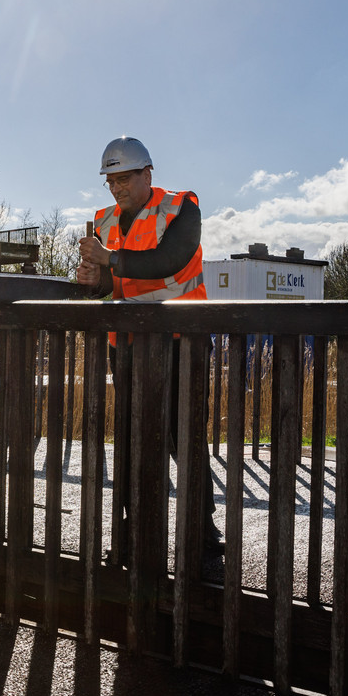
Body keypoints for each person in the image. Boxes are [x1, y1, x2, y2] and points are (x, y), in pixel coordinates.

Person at [76, 136, 221, 562]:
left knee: (184, 438)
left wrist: (109, 260)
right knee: (131, 438)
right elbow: (110, 285)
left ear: (147, 175)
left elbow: (169, 260)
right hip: (129, 344)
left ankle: (201, 532)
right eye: (111, 181)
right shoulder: (104, 221)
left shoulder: (181, 207)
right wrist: (92, 282)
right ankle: (133, 528)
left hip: (183, 341)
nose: (117, 188)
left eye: (124, 178)